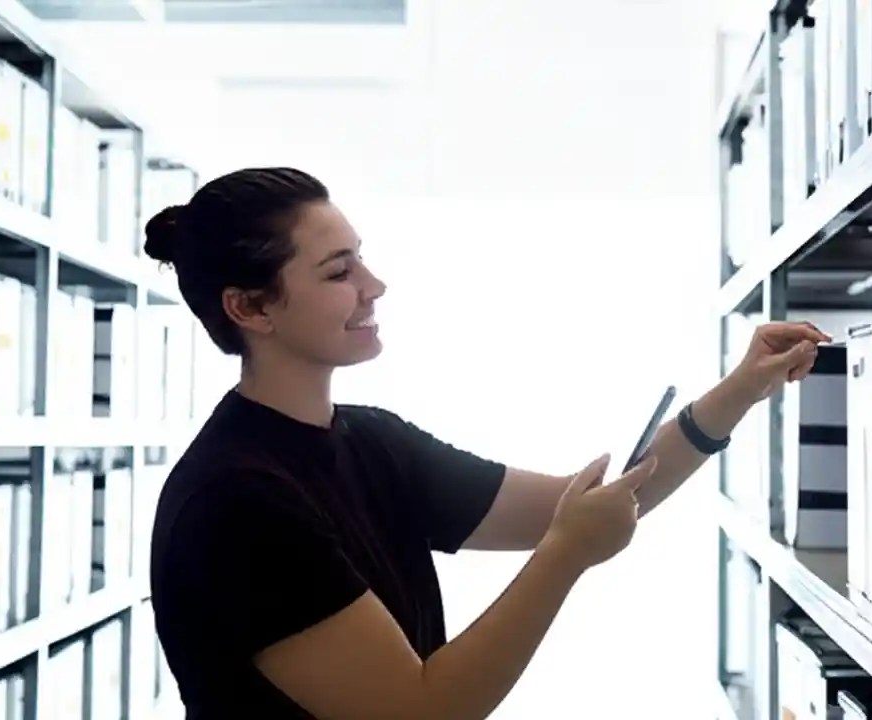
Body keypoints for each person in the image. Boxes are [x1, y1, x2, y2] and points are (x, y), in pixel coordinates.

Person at [144, 166, 830, 719]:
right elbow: (420, 709)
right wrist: (566, 555)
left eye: (362, 260)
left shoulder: (371, 441)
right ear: (250, 307)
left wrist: (742, 388)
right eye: (338, 271)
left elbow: (585, 503)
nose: (374, 286)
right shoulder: (236, 503)